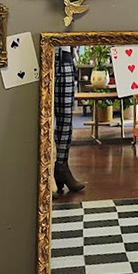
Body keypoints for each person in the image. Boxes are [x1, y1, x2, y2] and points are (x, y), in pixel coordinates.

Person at [54, 46, 84, 194]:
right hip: (40, 51)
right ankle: (44, 176)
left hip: (65, 57)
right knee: (41, 117)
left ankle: (62, 167)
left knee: (65, 120)